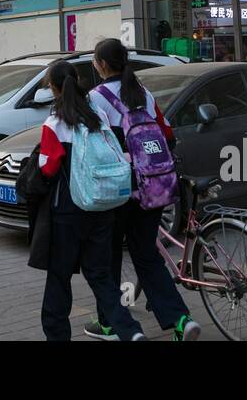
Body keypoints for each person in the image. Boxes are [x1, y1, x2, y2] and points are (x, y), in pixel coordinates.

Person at [82, 38, 200, 342]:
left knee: (108, 257)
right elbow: (167, 136)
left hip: (118, 191)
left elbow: (92, 148)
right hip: (153, 187)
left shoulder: (96, 98)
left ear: (102, 64)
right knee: (147, 255)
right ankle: (180, 320)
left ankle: (111, 323)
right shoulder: (144, 94)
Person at [35, 59, 143, 341]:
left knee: (59, 279)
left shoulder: (54, 123)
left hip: (69, 212)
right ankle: (130, 332)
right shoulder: (96, 114)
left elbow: (47, 168)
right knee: (102, 277)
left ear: (53, 88)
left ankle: (57, 337)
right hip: (102, 206)